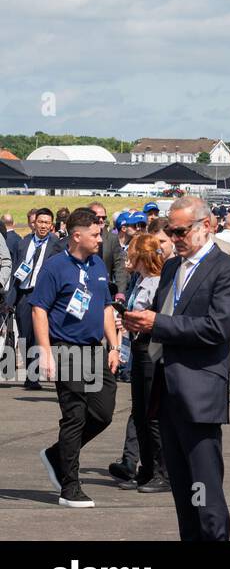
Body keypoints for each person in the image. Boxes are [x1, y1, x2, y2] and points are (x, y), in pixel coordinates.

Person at [121, 197, 230, 541]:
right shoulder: (171, 268)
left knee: (204, 491)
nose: (174, 238)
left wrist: (157, 324)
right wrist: (141, 324)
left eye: (180, 231)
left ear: (205, 226)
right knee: (183, 492)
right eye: (171, 231)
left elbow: (216, 328)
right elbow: (167, 319)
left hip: (199, 395)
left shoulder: (229, 270)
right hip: (166, 393)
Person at [32, 208, 120, 508]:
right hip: (66, 349)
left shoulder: (97, 264)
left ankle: (57, 454)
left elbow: (107, 306)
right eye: (95, 234)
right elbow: (39, 309)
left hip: (96, 350)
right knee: (75, 417)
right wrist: (45, 352)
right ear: (77, 235)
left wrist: (114, 345)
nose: (100, 238)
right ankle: (69, 486)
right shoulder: (55, 267)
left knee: (103, 413)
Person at [117, 233, 170, 494]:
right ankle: (146, 470)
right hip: (138, 348)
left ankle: (163, 472)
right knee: (139, 413)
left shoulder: (159, 282)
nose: (128, 255)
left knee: (153, 414)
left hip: (151, 349)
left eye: (132, 251)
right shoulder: (141, 280)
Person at [13, 207, 66, 390]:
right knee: (25, 335)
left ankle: (33, 376)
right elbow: (15, 272)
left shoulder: (56, 244)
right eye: (40, 222)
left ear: (51, 225)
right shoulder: (23, 242)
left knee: (39, 336)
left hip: (44, 295)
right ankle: (30, 370)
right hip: (24, 294)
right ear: (34, 223)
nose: (43, 226)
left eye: (46, 223)